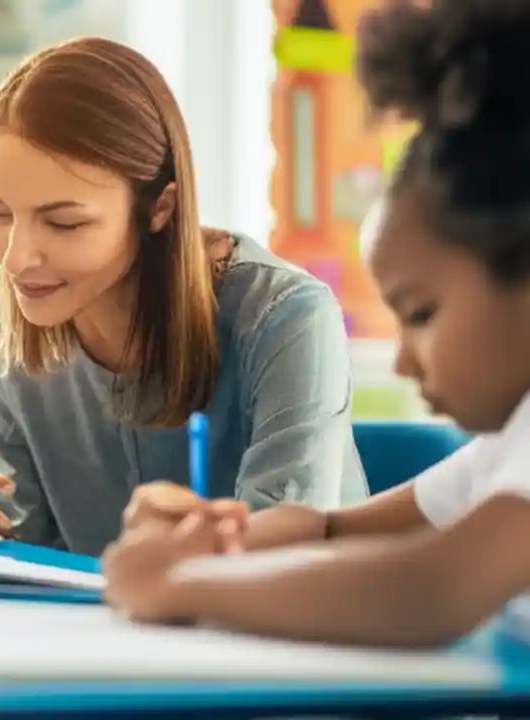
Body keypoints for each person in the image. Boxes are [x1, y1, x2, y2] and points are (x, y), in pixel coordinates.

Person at [104, 0, 530, 647]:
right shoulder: (502, 453)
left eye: (421, 314)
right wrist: (223, 536)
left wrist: (181, 586)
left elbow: (430, 591)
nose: (407, 362)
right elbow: (333, 529)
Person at [0, 37, 367, 555]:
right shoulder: (13, 363)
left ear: (160, 208)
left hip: (288, 631)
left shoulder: (286, 320)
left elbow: (279, 556)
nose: (15, 258)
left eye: (63, 223)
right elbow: (29, 564)